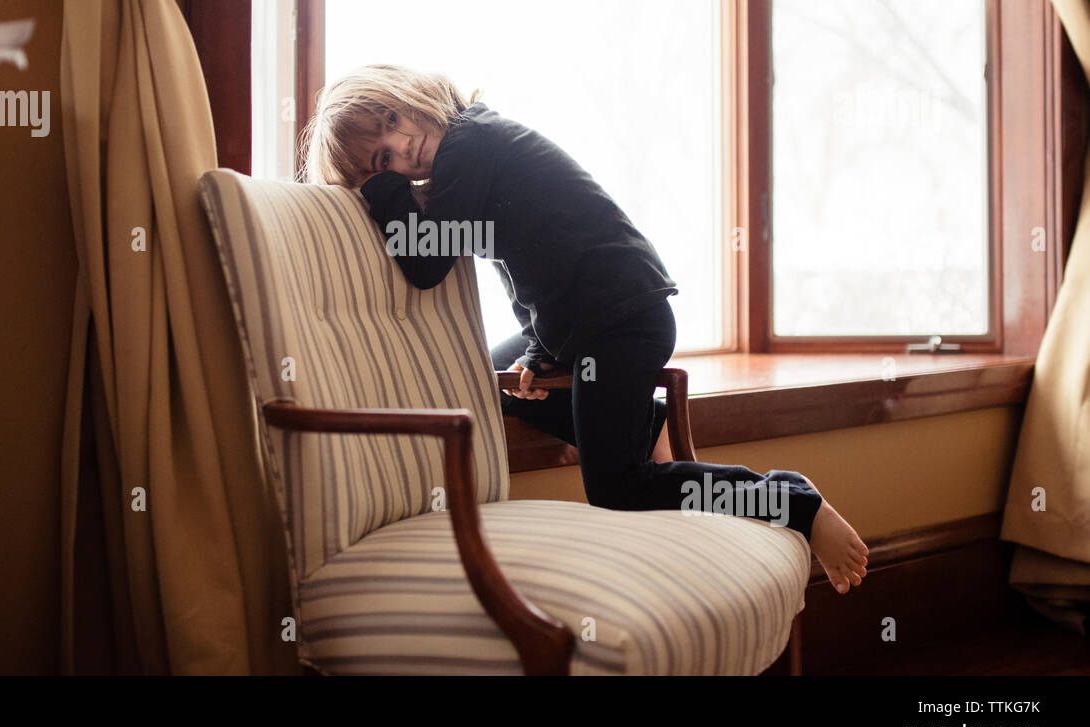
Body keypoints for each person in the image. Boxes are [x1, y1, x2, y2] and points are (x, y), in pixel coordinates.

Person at [300, 63, 869, 593]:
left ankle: (792, 500)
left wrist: (378, 190)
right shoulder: (469, 153)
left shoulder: (466, 145)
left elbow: (424, 263)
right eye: (381, 160)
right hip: (589, 319)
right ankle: (643, 424)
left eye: (392, 122)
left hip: (620, 319)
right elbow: (534, 265)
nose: (399, 149)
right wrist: (538, 354)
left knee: (618, 488)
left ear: (410, 94)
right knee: (488, 380)